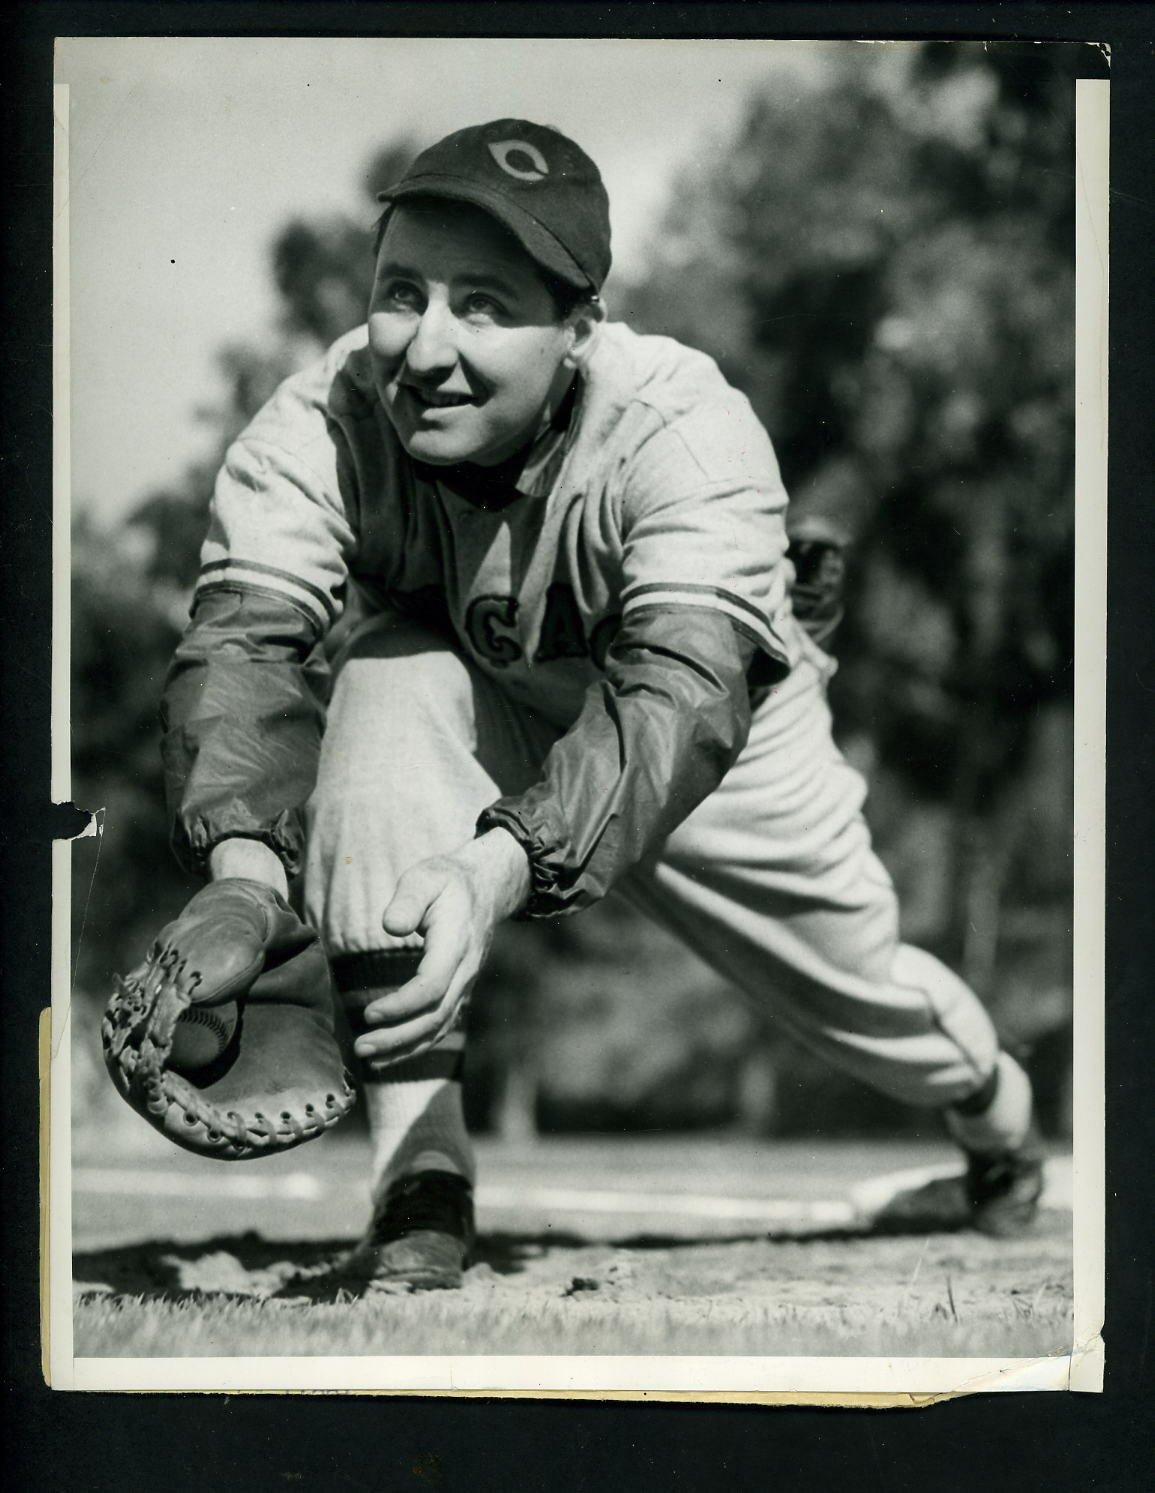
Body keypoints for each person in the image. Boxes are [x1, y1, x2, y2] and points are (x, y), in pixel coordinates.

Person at [161, 119, 1044, 1291]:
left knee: (867, 996)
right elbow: (243, 645)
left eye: (484, 304)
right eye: (402, 292)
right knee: (384, 678)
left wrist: (494, 869)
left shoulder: (682, 425)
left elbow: (677, 698)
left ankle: (997, 1126)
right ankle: (421, 1181)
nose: (425, 347)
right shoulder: (321, 420)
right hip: (483, 691)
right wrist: (241, 873)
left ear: (579, 328)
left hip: (714, 735)